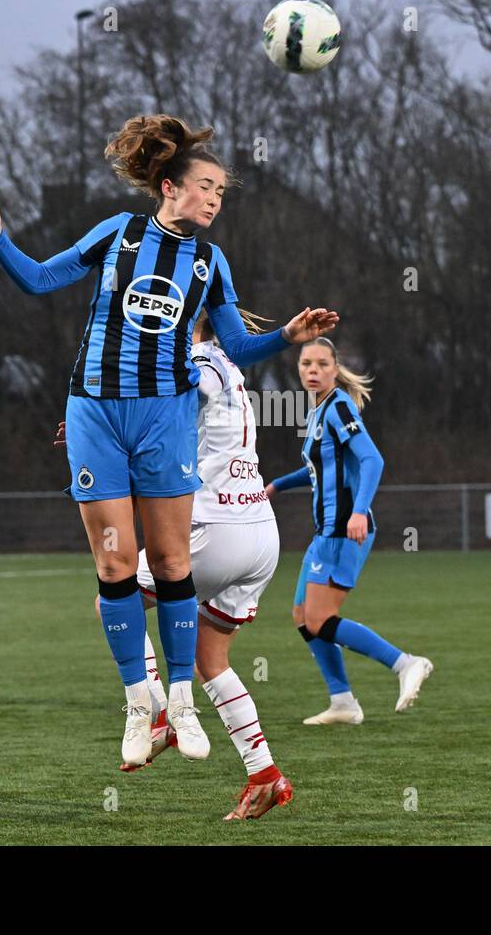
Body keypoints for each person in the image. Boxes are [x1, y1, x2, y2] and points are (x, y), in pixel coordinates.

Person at [0, 114, 337, 767]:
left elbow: (240, 346)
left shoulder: (210, 263)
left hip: (164, 420)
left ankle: (183, 705)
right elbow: (41, 279)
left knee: (170, 567)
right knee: (113, 566)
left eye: (222, 191)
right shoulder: (120, 233)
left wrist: (289, 336)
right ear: (169, 187)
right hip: (95, 414)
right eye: (206, 186)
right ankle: (142, 705)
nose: (215, 198)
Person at [62, 310, 292, 820]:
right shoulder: (225, 359)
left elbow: (172, 405)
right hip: (259, 532)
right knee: (212, 660)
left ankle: (160, 713)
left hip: (214, 529)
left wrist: (102, 425)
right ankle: (264, 774)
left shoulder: (188, 361)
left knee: (113, 602)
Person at [265, 337, 432, 723]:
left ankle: (406, 663)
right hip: (325, 531)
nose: (312, 370)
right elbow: (315, 469)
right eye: (306, 363)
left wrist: (358, 512)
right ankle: (342, 702)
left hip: (344, 530)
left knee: (320, 619)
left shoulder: (338, 406)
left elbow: (372, 459)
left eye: (322, 364)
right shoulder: (317, 412)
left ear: (335, 369)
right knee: (302, 615)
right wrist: (275, 485)